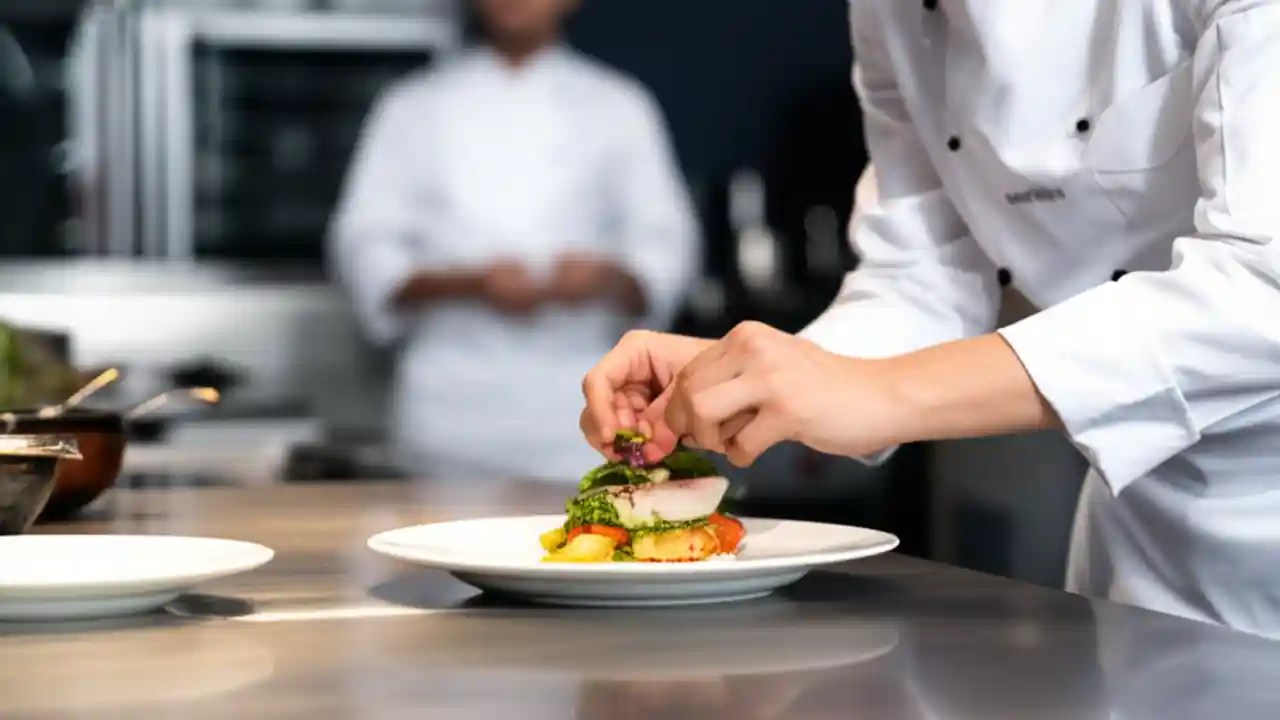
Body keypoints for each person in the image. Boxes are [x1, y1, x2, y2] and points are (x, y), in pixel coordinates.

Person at [581, 1, 1280, 635]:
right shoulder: (890, 10)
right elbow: (924, 274)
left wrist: (879, 394)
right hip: (1146, 523)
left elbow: (1261, 288)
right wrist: (755, 379)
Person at [331, 0, 697, 480]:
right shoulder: (411, 107)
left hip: (579, 406)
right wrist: (471, 284)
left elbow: (667, 246)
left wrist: (604, 277)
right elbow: (364, 246)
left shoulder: (619, 106)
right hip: (448, 413)